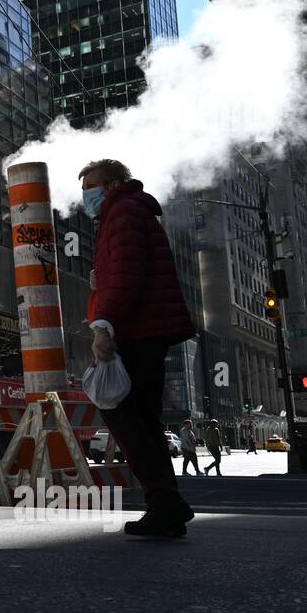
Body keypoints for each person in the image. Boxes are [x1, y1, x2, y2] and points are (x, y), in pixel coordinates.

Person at [80, 159, 197, 536]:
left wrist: (105, 326)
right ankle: (166, 505)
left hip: (137, 330)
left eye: (92, 187)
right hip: (147, 327)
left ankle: (165, 503)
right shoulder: (127, 212)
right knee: (143, 419)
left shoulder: (124, 213)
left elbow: (128, 277)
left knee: (123, 414)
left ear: (113, 185)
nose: (87, 197)